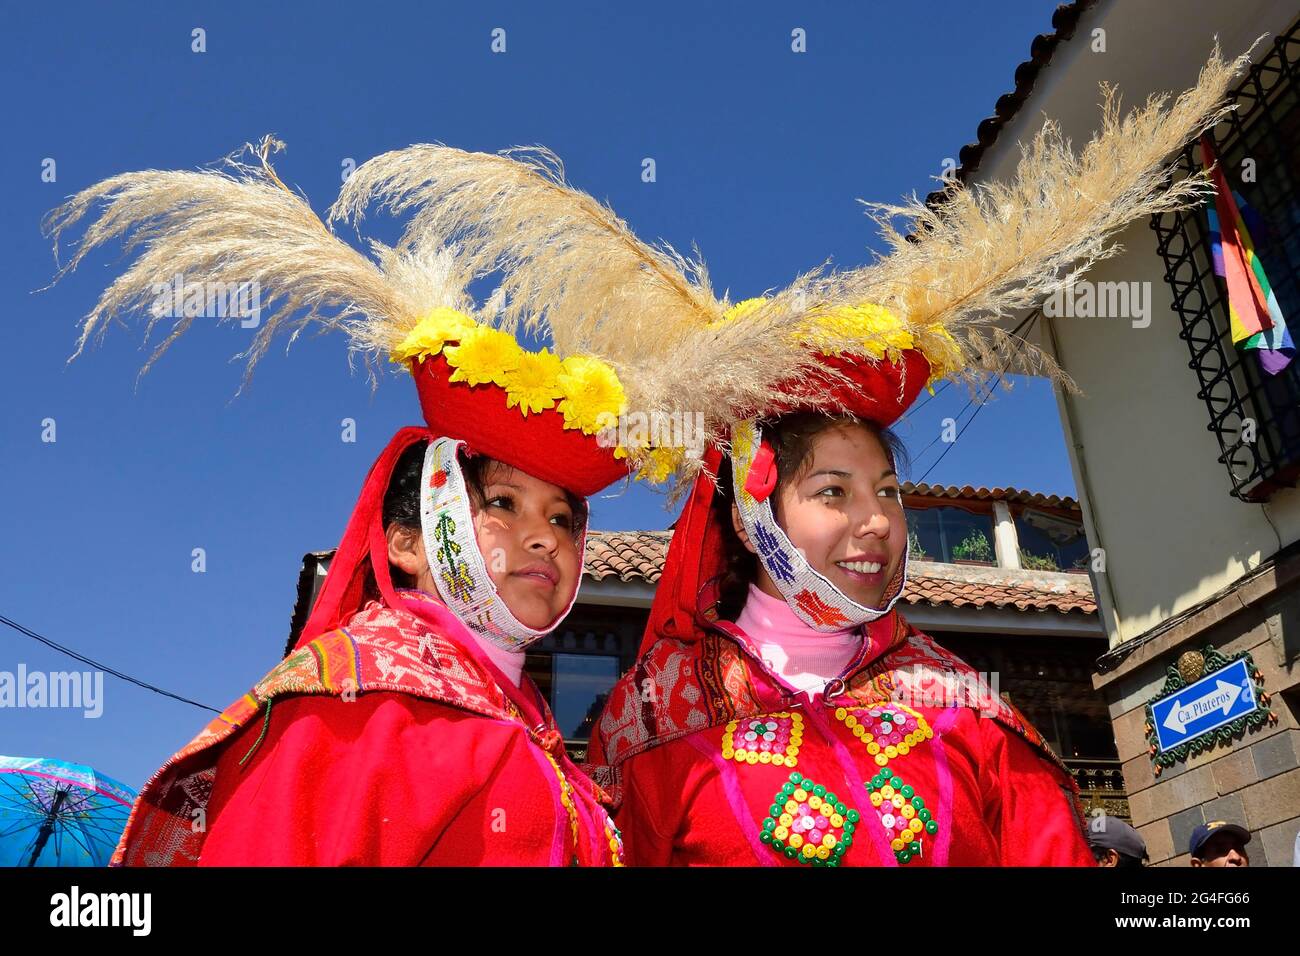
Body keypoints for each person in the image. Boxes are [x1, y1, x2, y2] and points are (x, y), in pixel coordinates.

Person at [580, 45, 1251, 867]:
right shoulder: (651, 725)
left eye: (889, 490)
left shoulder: (968, 712)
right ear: (754, 514)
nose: (877, 521)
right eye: (833, 491)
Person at [40, 138, 692, 865]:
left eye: (564, 517)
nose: (546, 538)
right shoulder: (350, 711)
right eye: (504, 503)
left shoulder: (548, 741)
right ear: (408, 543)